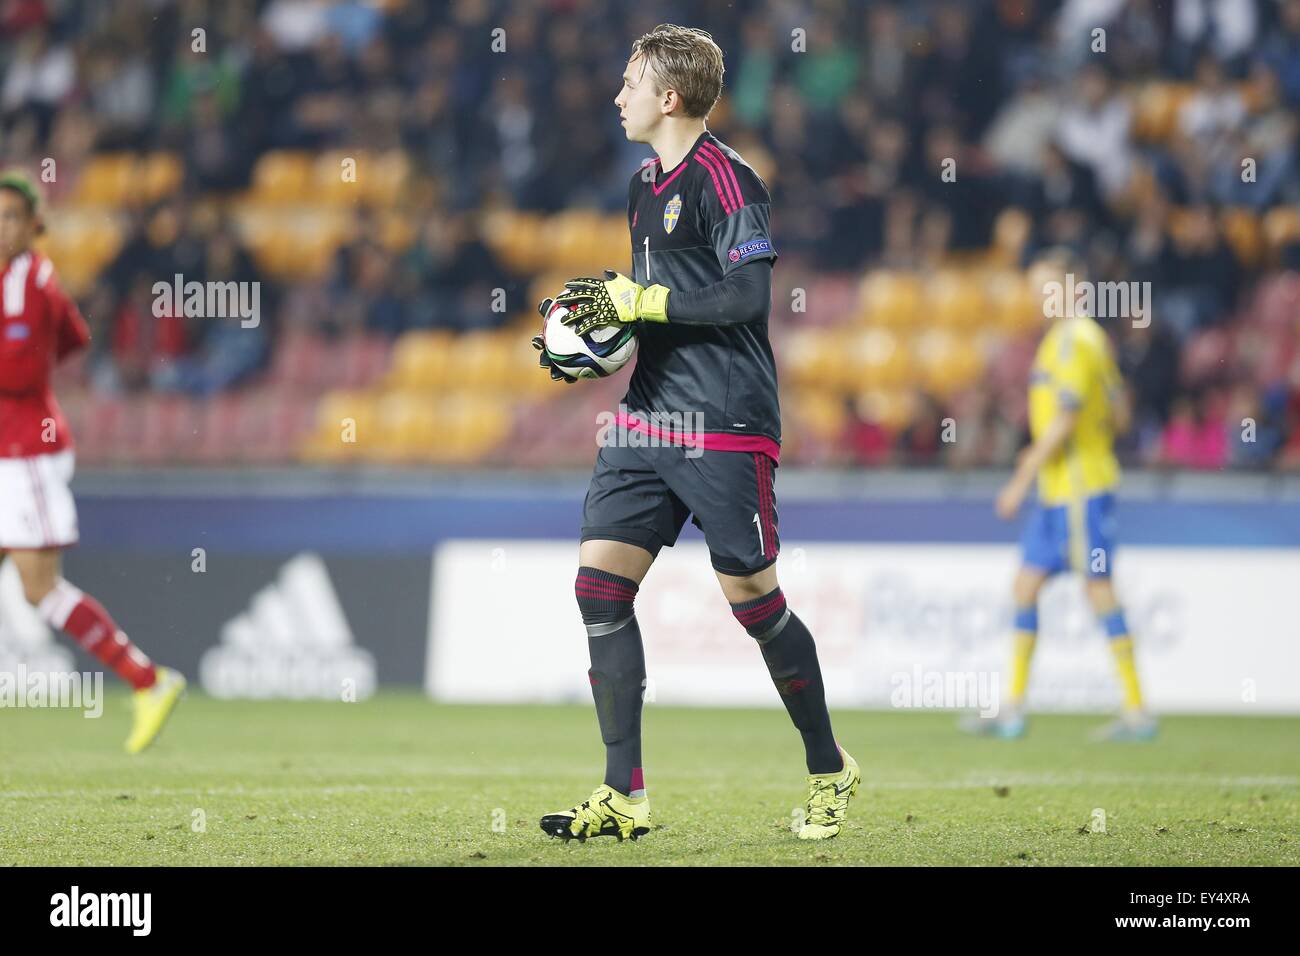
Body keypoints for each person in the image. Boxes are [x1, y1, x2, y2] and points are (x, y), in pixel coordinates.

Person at [531, 25, 858, 843]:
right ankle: (624, 796)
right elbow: (660, 306)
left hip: (725, 419)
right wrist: (598, 345)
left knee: (753, 601)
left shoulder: (730, 178)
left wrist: (641, 306)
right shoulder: (643, 184)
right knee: (598, 588)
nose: (618, 95)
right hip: (647, 416)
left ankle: (829, 769)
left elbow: (746, 299)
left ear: (668, 96)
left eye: (630, 81)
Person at [0, 171, 185, 753]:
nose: (1, 226)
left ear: (35, 226)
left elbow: (23, 373)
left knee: (41, 591)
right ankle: (148, 681)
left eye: (11, 216)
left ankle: (147, 681)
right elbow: (75, 337)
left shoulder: (29, 281)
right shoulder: (21, 280)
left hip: (24, 454)